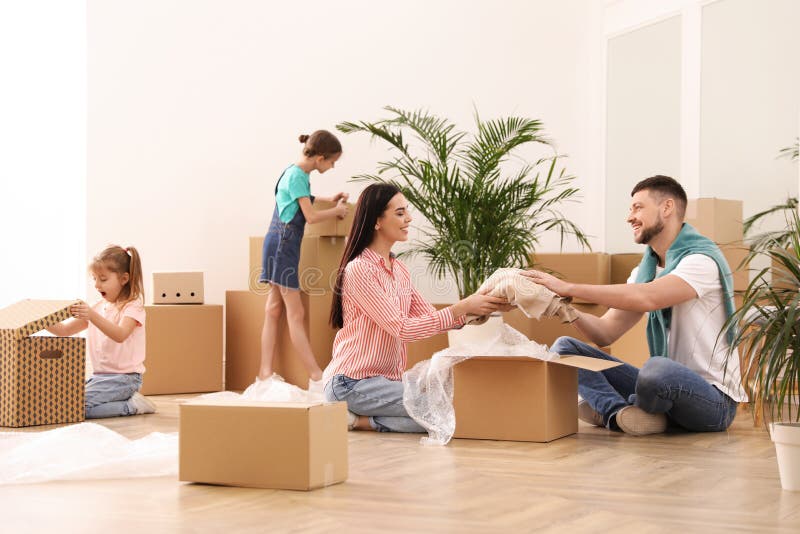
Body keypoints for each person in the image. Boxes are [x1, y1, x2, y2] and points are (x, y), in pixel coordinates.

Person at [523, 175, 747, 435]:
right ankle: (620, 414)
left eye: (638, 207)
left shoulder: (700, 261)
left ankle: (625, 409)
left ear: (667, 207)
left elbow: (648, 298)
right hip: (661, 388)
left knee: (656, 368)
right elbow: (605, 331)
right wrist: (564, 309)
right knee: (565, 348)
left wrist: (568, 287)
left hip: (713, 401)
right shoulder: (644, 272)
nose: (630, 217)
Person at [324, 183, 509, 432]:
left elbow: (430, 318)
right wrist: (461, 308)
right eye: (400, 213)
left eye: (406, 212)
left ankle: (358, 421)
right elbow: (404, 329)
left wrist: (479, 310)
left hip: (385, 382)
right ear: (377, 221)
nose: (409, 218)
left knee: (448, 412)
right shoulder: (360, 270)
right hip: (352, 384)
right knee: (447, 407)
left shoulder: (398, 270)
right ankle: (357, 417)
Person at [258, 130, 349, 393]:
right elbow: (309, 215)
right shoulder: (298, 174)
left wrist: (327, 198)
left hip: (277, 242)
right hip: (284, 244)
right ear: (320, 158)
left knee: (273, 310)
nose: (332, 167)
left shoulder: (295, 172)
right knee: (295, 313)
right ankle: (316, 376)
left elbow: (301, 199)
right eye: (332, 162)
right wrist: (336, 210)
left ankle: (264, 373)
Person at [47, 245, 155, 418]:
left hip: (125, 379)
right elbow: (64, 330)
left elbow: (120, 335)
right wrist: (40, 318)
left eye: (103, 279)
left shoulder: (133, 307)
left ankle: (132, 405)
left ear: (124, 279)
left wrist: (91, 316)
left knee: (75, 409)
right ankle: (123, 402)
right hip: (99, 377)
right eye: (94, 279)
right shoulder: (97, 308)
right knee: (66, 402)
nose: (97, 285)